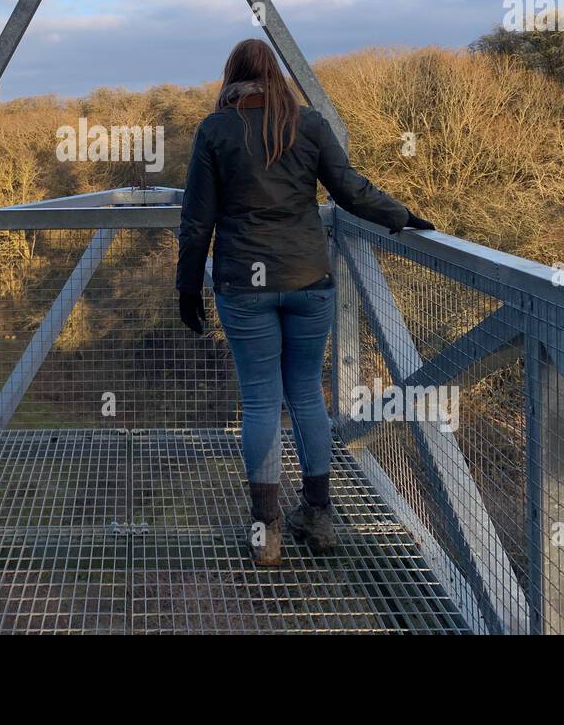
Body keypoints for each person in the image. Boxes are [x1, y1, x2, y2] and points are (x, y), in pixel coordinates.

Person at [176, 38, 433, 566]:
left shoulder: (215, 130)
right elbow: (349, 190)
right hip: (307, 279)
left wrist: (186, 285)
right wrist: (400, 215)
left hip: (244, 286)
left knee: (261, 401)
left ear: (232, 77)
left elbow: (198, 219)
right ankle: (318, 514)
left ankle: (266, 528)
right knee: (307, 397)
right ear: (276, 76)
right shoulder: (307, 123)